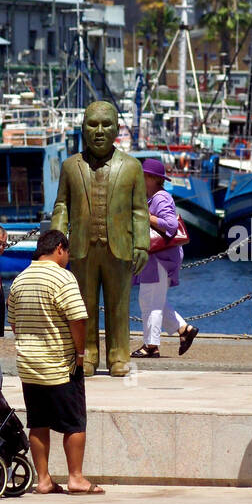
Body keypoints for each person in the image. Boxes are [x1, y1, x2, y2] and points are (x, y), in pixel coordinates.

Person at [49, 100, 149, 377]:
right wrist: (56, 241)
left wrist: (142, 243)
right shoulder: (71, 166)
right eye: (93, 124)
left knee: (119, 305)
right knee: (82, 305)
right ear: (83, 129)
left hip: (121, 246)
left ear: (117, 128)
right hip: (82, 247)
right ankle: (87, 354)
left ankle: (119, 355)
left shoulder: (131, 166)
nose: (100, 130)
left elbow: (139, 209)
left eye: (106, 124)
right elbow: (62, 206)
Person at [6, 229, 102, 495]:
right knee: (74, 423)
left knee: (37, 423)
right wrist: (80, 355)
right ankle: (76, 478)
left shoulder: (20, 279)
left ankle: (44, 480)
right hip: (60, 365)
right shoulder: (63, 277)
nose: (67, 258)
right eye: (67, 253)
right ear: (60, 248)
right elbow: (78, 319)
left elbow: (13, 321)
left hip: (29, 365)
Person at [131, 158, 197, 359]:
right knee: (149, 300)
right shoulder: (150, 197)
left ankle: (151, 345)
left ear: (150, 178)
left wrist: (143, 215)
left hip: (160, 258)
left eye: (142, 175)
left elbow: (170, 225)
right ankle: (183, 329)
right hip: (154, 258)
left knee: (152, 302)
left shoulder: (161, 198)